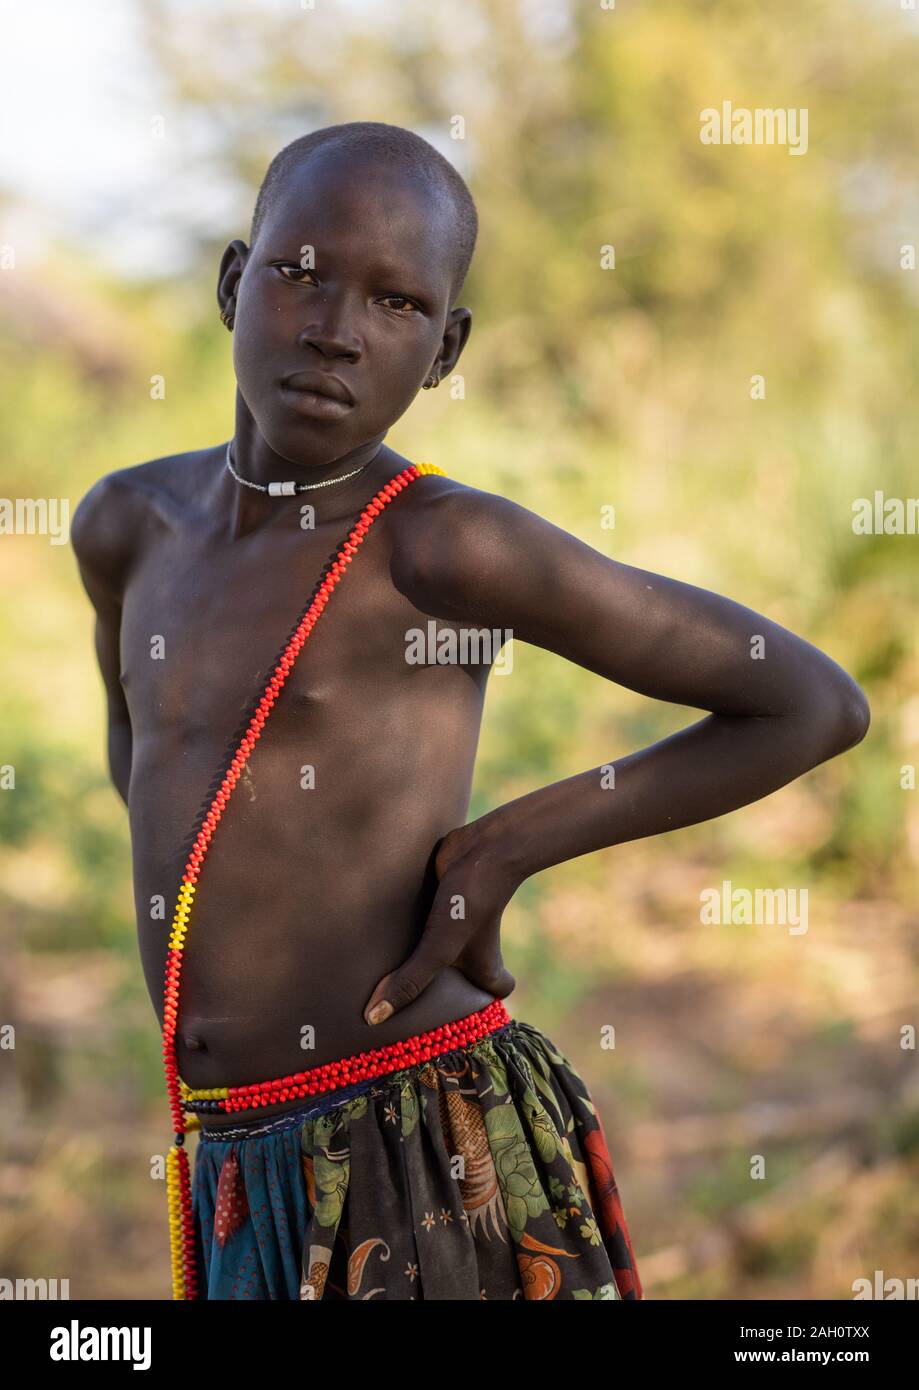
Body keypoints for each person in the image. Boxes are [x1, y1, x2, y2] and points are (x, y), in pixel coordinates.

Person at [71, 120, 869, 1301]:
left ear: (445, 349)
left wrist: (509, 843)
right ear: (235, 280)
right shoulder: (126, 528)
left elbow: (807, 701)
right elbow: (148, 776)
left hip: (420, 1146)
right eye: (300, 273)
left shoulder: (438, 546)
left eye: (396, 305)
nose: (336, 328)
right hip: (228, 1152)